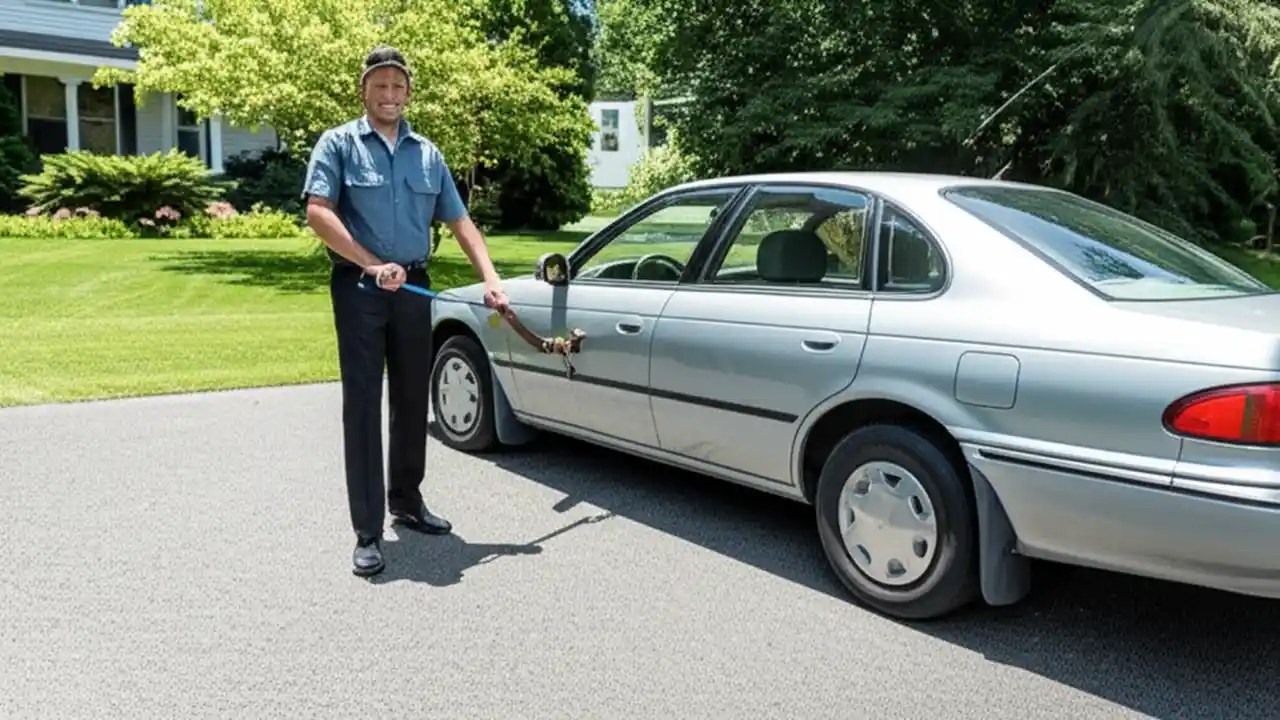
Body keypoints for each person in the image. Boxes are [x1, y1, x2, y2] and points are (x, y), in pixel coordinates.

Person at [301, 45, 510, 577]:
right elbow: (318, 213)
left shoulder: (428, 155)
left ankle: (407, 502)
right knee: (364, 403)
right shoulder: (339, 145)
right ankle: (368, 530)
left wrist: (490, 278)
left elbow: (461, 223)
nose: (389, 95)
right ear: (364, 89)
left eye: (398, 86)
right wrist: (371, 264)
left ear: (408, 92)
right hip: (360, 289)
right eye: (380, 85)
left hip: (414, 287)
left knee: (413, 397)